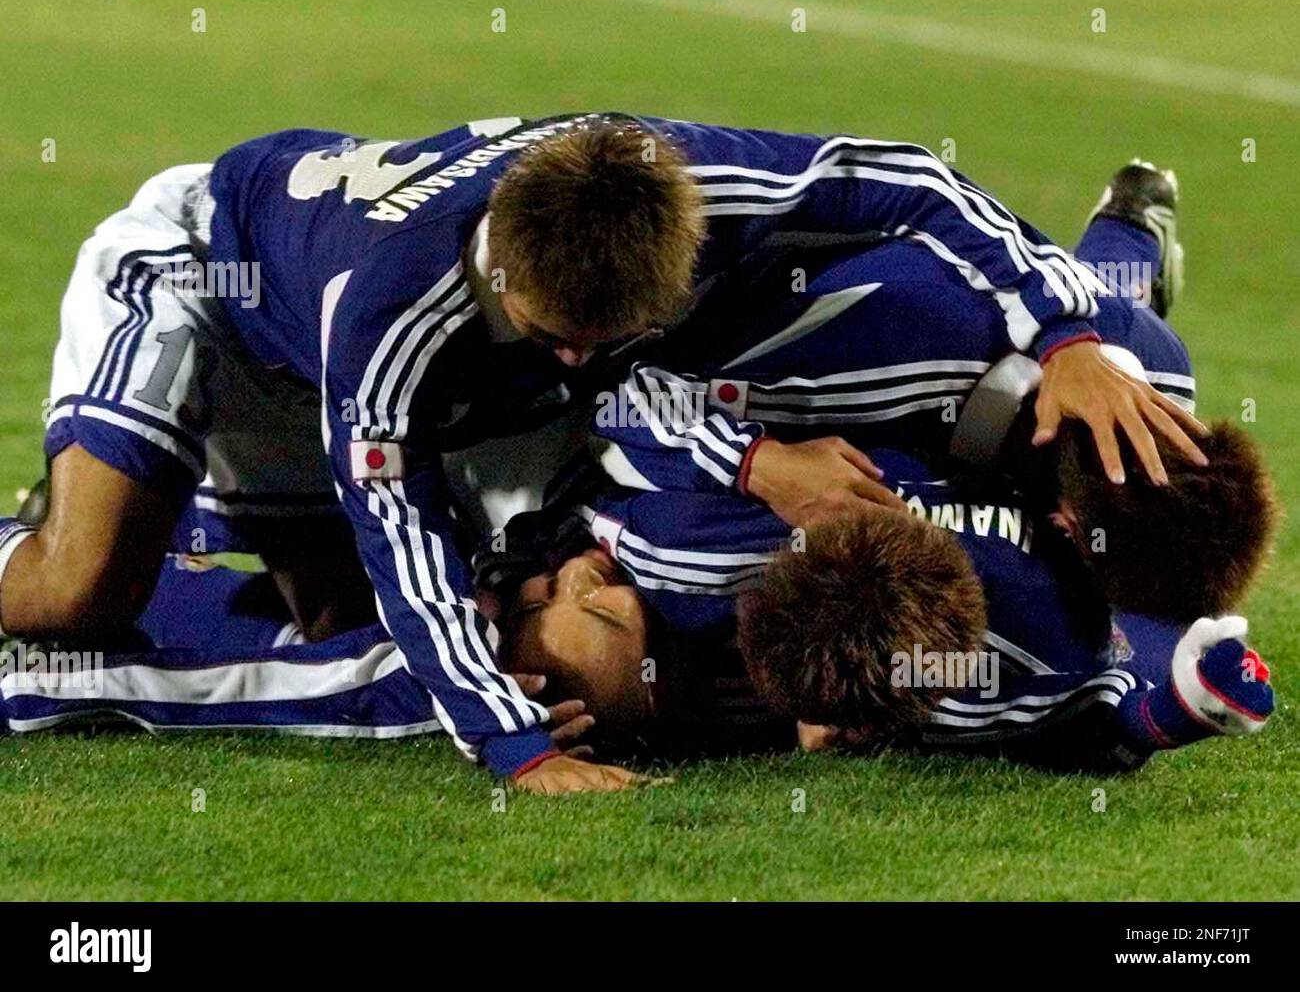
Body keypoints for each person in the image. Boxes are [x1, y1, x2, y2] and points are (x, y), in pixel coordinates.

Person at [0, 118, 1205, 791]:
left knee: (331, 614)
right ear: (504, 275)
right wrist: (512, 741)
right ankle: (77, 526)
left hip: (458, 373)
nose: (581, 364)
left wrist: (1068, 335)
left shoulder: (681, 181)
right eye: (557, 341)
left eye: (604, 341)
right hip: (216, 280)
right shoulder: (391, 318)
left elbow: (905, 176)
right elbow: (403, 533)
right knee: (76, 590)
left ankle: (179, 521)